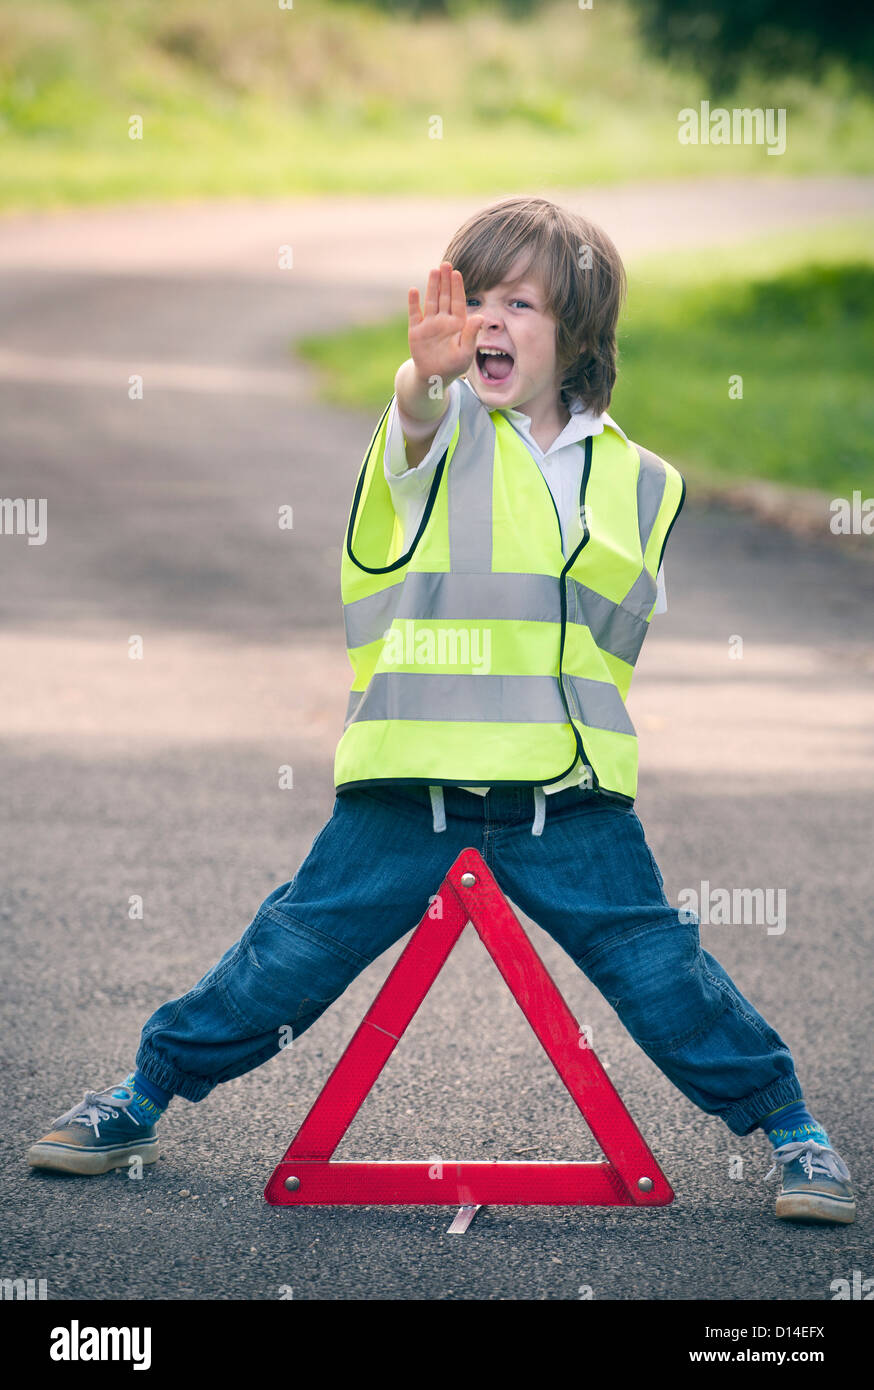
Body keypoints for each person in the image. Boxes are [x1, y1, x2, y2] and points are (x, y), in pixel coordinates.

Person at [28, 196, 854, 1225]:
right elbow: (416, 410)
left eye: (522, 304)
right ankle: (140, 1097)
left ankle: (793, 1131)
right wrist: (423, 377)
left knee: (661, 968)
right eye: (477, 300)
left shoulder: (643, 482)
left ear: (579, 335)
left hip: (564, 799)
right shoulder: (441, 430)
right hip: (410, 786)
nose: (491, 322)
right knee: (288, 956)